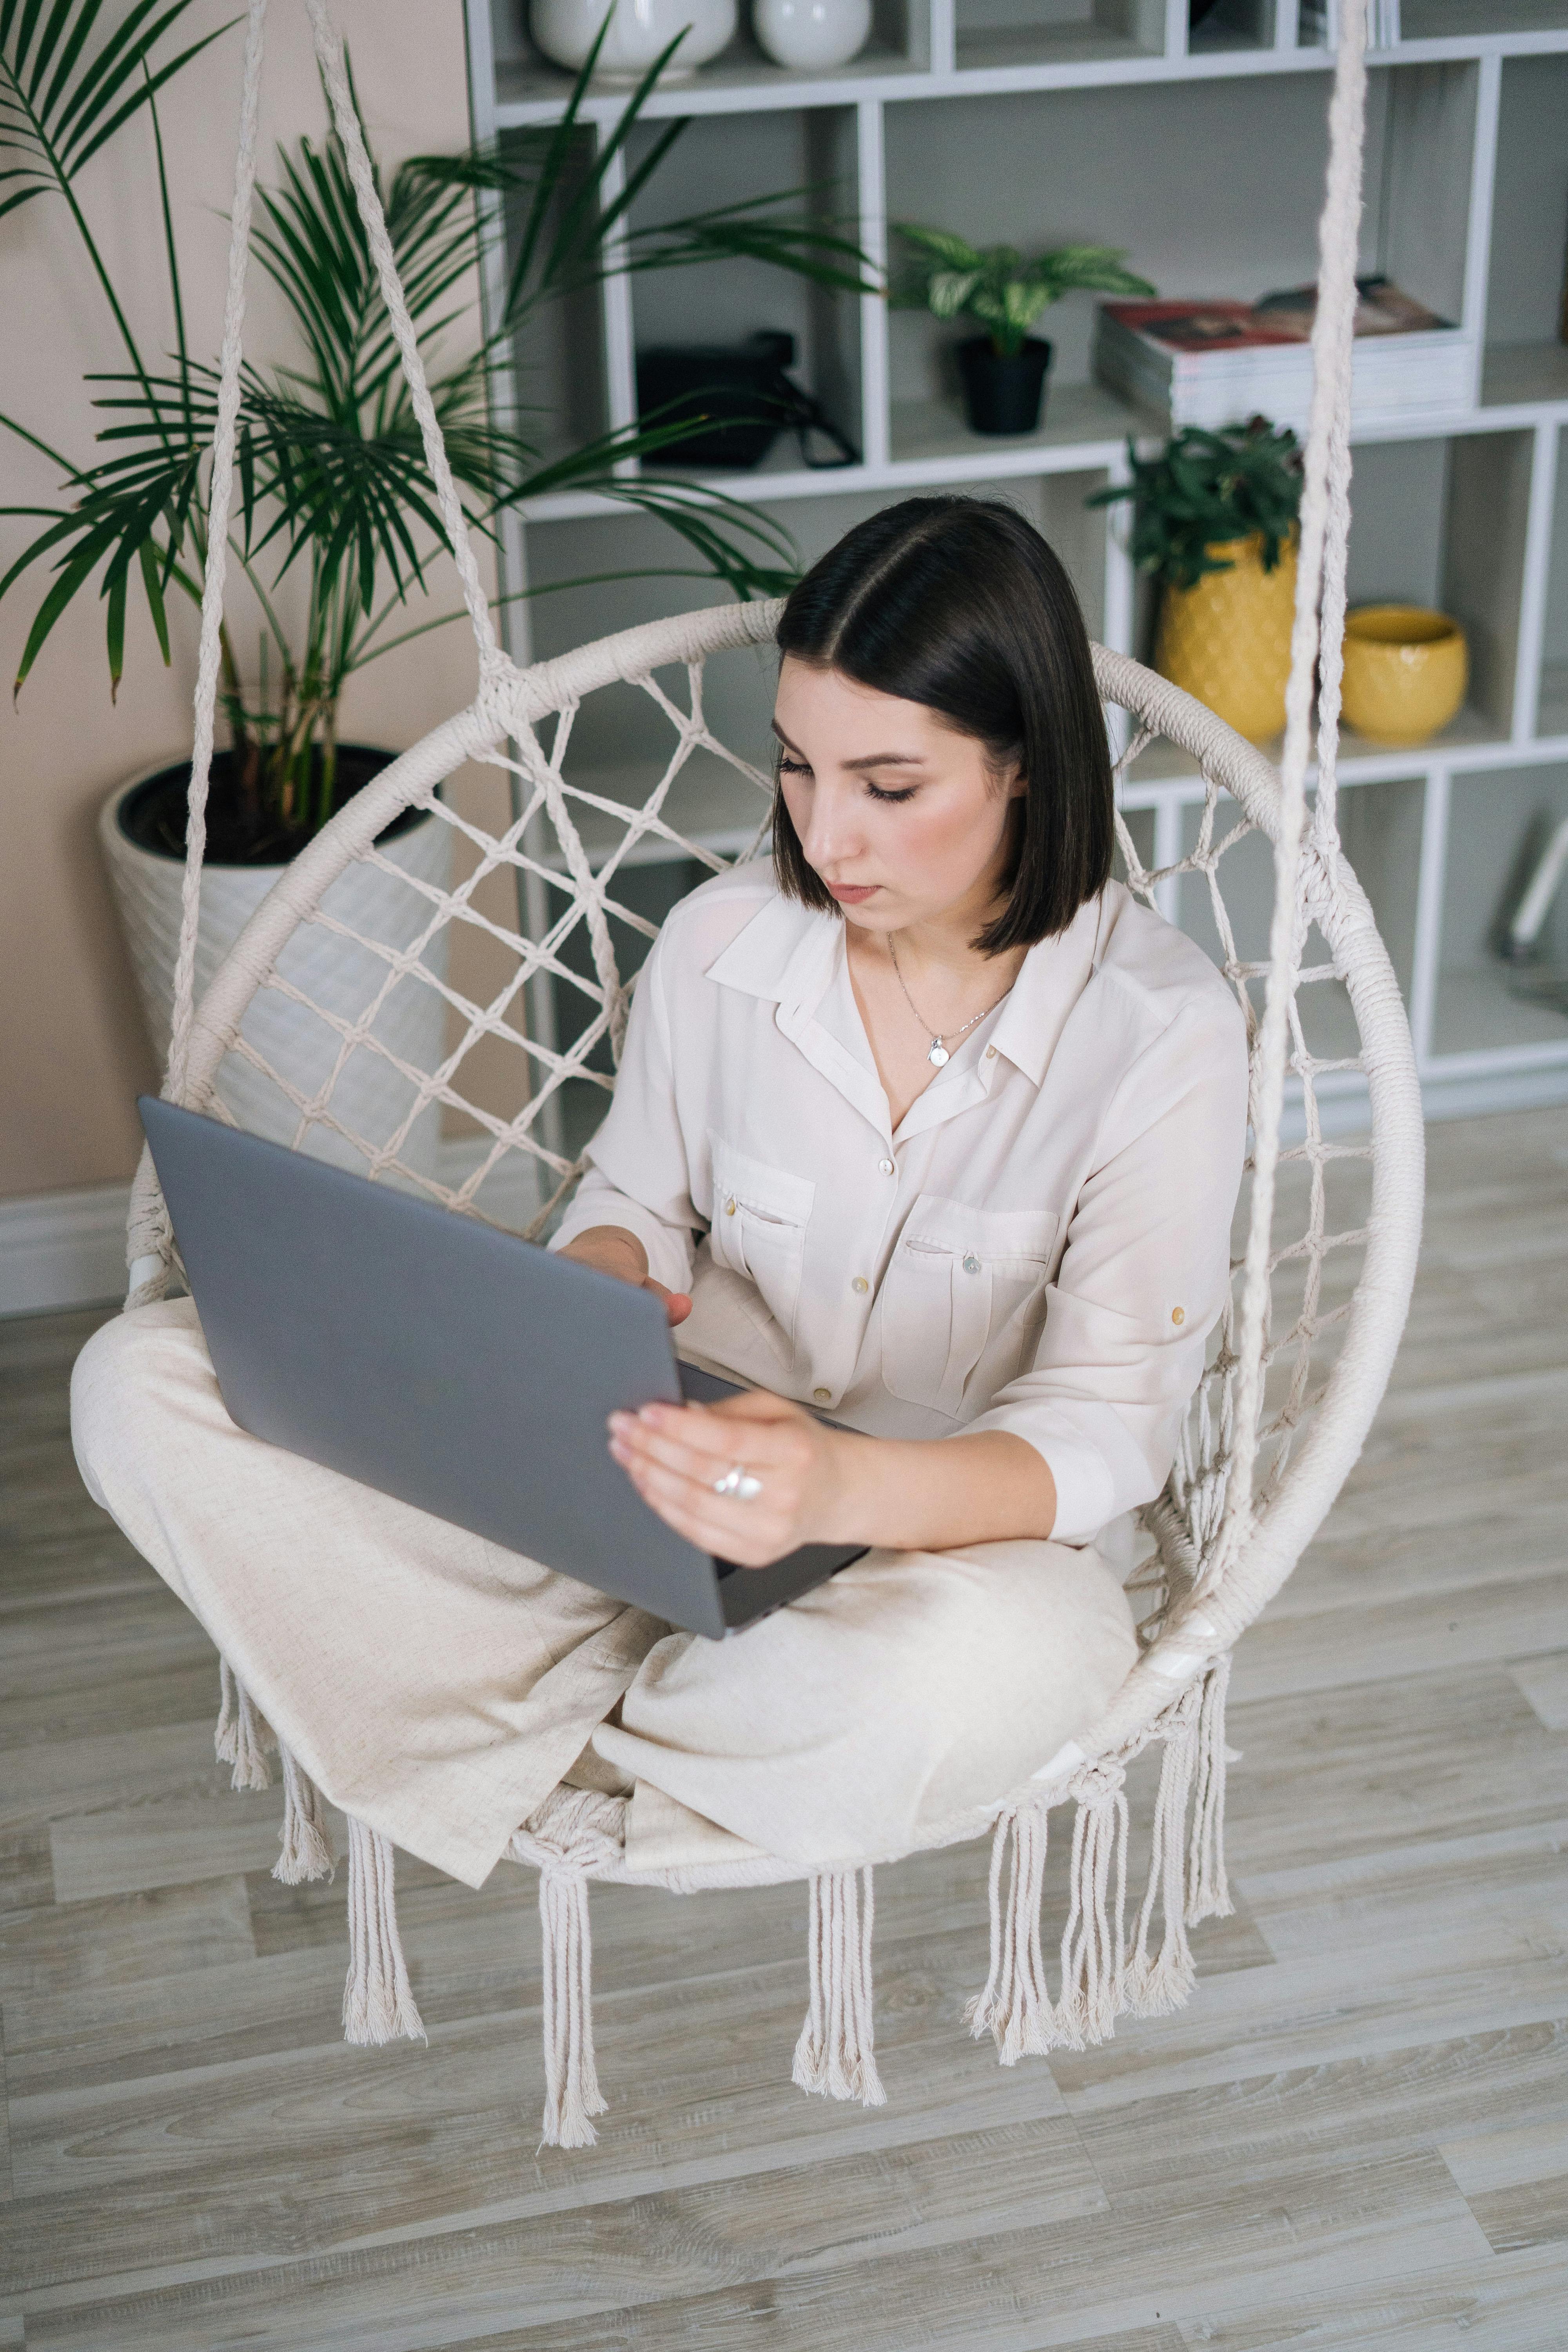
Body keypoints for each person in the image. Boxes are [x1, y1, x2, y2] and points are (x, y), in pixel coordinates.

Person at [71, 495, 1249, 1888]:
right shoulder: (720, 941)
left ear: (1028, 772)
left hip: (943, 1537)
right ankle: (649, 1712)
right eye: (797, 769)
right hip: (655, 1470)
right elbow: (632, 1196)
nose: (825, 837)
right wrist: (600, 1282)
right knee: (143, 1382)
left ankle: (537, 1728)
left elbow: (1111, 1432)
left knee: (999, 1672)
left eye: (889, 786)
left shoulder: (1159, 1033)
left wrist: (838, 1484)